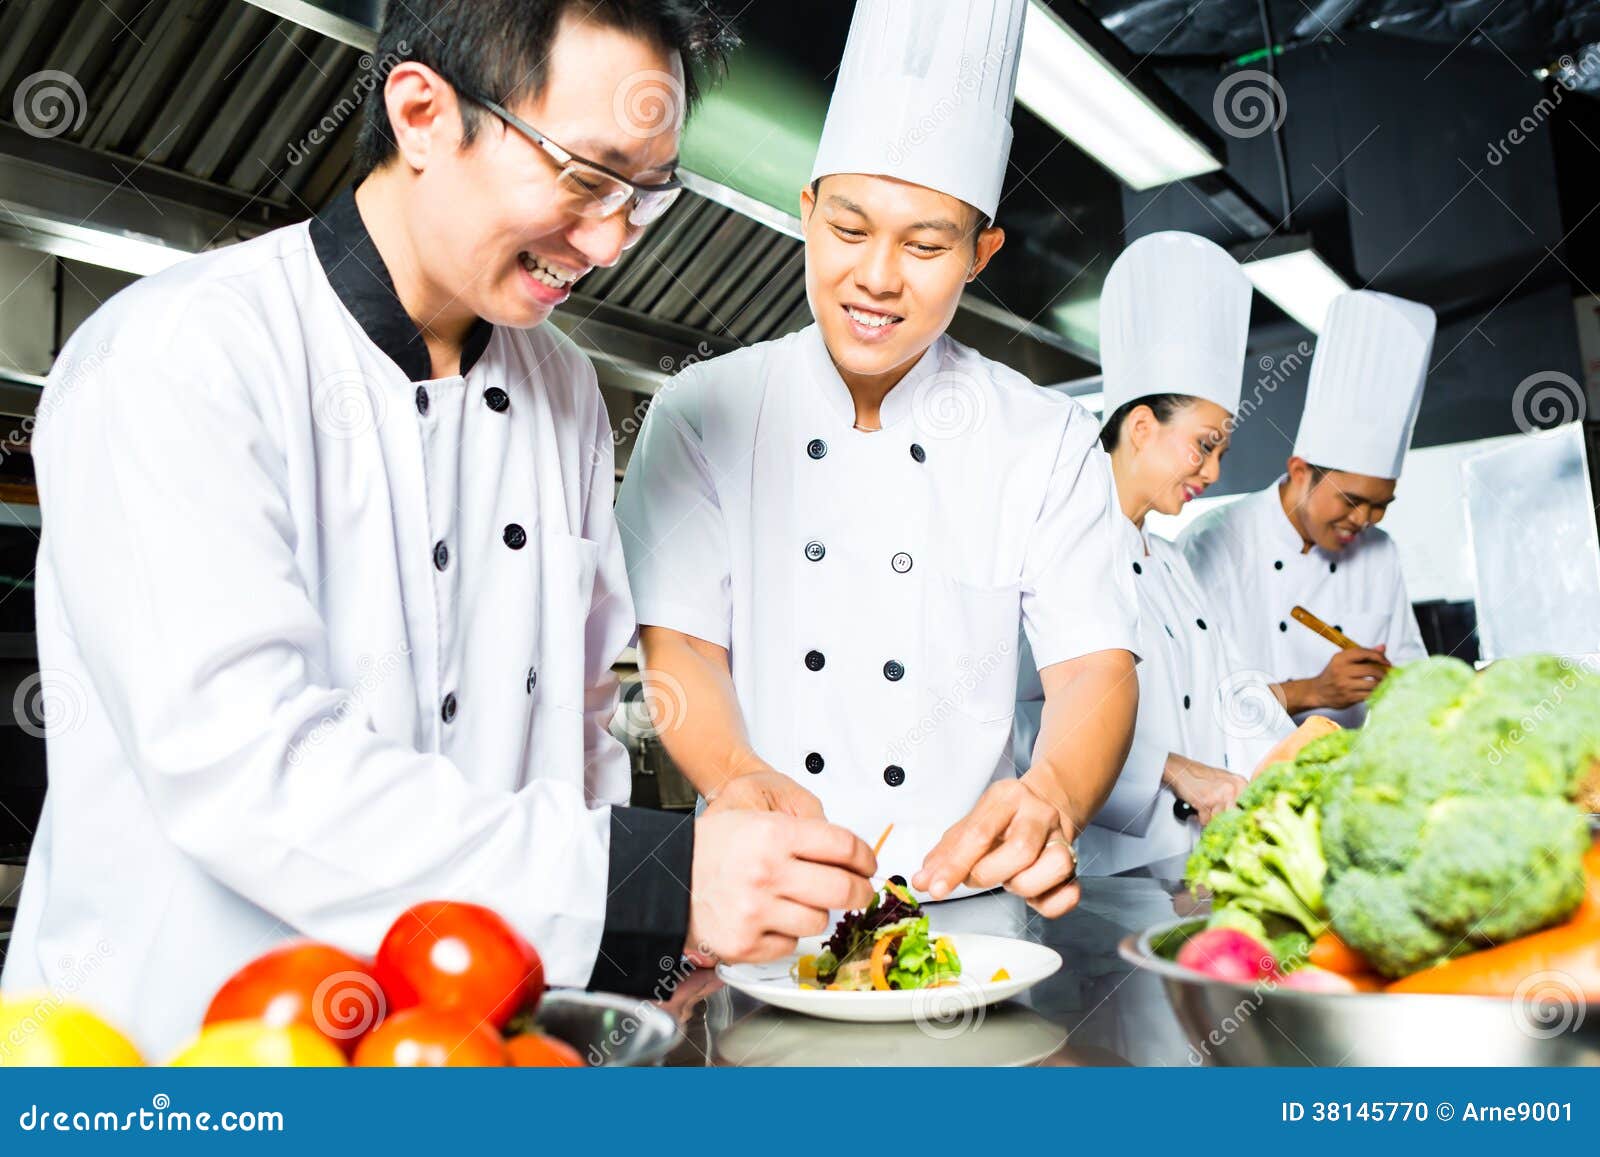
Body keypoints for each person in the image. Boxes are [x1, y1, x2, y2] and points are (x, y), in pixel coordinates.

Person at [2, 0, 877, 1058]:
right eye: (584, 178)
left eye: (644, 200)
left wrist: (630, 940)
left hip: (458, 1042)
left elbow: (579, 725)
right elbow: (247, 767)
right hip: (188, 1042)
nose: (606, 244)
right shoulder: (179, 356)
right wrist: (640, 877)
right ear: (422, 112)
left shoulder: (562, 388)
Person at [616, 0, 1139, 920]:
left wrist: (1052, 793)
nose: (877, 277)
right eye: (850, 231)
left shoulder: (1042, 439)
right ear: (808, 211)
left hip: (972, 901)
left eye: (927, 244)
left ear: (981, 254)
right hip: (764, 896)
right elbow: (682, 642)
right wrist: (736, 776)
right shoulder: (705, 409)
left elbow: (1094, 666)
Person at [1014, 233, 1293, 875]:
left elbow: (1230, 695)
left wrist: (1303, 763)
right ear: (1141, 428)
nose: (1215, 470)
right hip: (1101, 876)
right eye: (1204, 445)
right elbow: (1014, 723)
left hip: (1195, 875)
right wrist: (1173, 772)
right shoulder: (1050, 547)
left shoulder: (1171, 565)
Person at [1181, 290, 1435, 727]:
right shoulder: (1211, 544)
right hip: (1246, 779)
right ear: (1300, 471)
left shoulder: (1380, 551)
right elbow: (1190, 700)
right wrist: (1313, 691)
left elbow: (1410, 667)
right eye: (1352, 501)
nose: (1364, 520)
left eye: (1380, 506)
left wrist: (1402, 684)